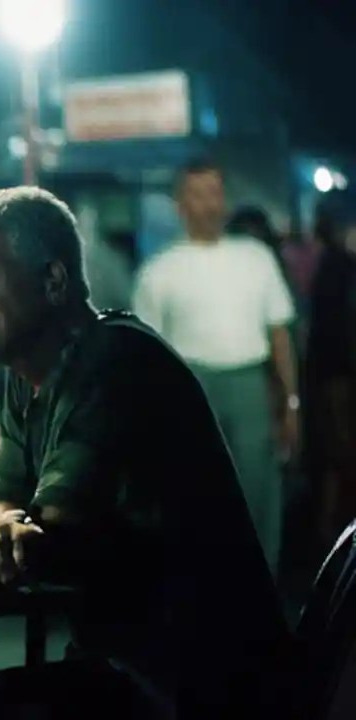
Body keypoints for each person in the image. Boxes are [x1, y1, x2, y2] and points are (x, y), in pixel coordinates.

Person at [0, 187, 289, 719]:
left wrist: (6, 535)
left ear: (54, 280)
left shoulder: (114, 361)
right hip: (122, 668)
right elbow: (1, 500)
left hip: (195, 682)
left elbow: (50, 530)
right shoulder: (27, 377)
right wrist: (1, 524)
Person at [132, 159, 299, 575]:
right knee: (195, 496)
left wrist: (291, 403)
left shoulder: (255, 258)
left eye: (214, 193)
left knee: (257, 491)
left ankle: (262, 590)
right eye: (197, 195)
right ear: (179, 204)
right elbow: (146, 354)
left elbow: (279, 335)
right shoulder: (159, 270)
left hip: (249, 385)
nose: (208, 204)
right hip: (191, 390)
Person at [303, 198, 356, 548]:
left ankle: (329, 528)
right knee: (341, 452)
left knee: (337, 454)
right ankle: (331, 529)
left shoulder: (334, 265)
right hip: (340, 375)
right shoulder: (340, 266)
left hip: (333, 373)